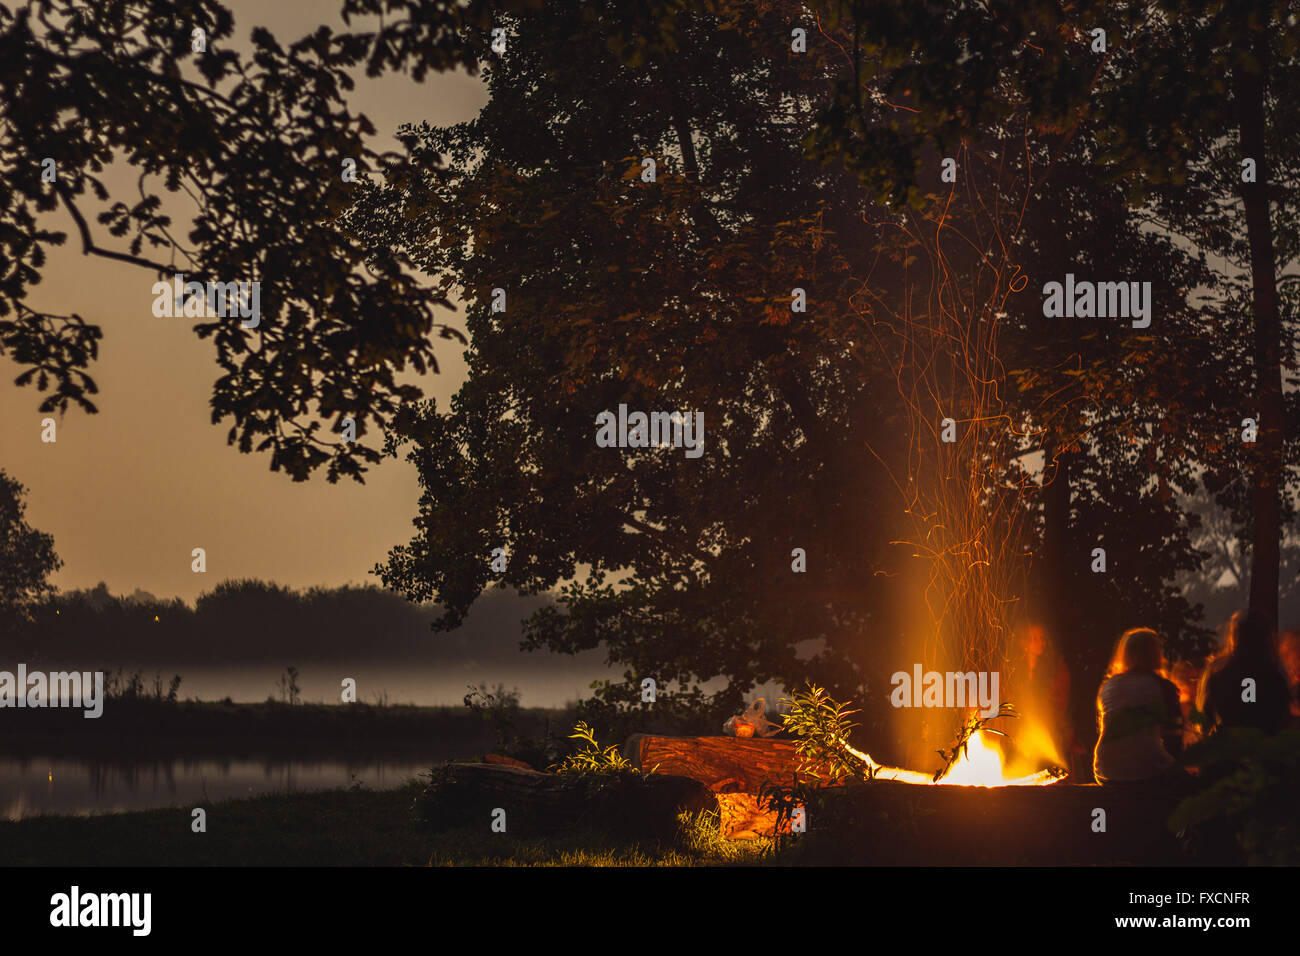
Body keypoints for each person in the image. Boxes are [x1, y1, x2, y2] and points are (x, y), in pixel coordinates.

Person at [1093, 628, 1184, 785]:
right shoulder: (1164, 687)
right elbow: (1173, 741)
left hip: (1104, 771)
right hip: (1146, 773)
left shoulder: (1108, 686)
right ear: (1155, 654)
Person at [1196, 610, 1290, 734]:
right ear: (1267, 639)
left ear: (1234, 637)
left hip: (1226, 746)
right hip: (1264, 748)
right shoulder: (1275, 678)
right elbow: (1281, 720)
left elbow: (1205, 718)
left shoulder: (1219, 674)